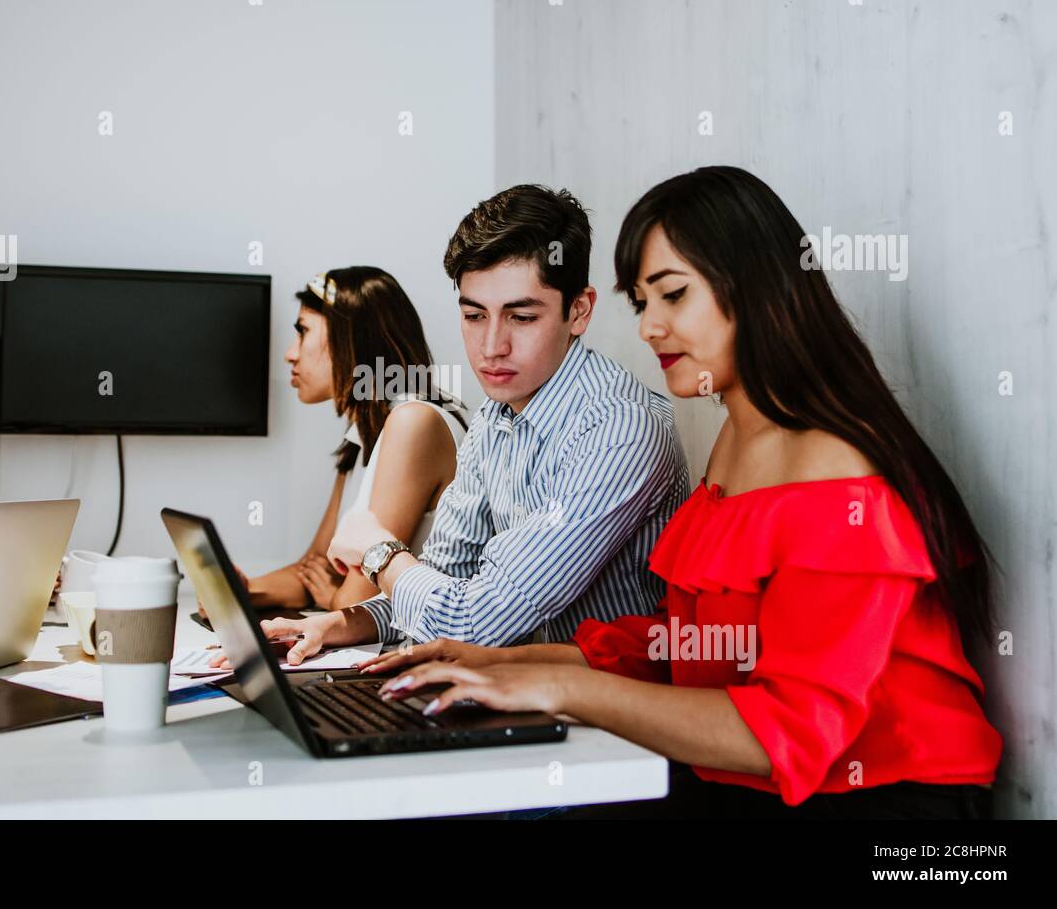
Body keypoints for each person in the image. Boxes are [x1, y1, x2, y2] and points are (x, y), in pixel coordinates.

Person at [362, 166, 1002, 818]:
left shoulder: (838, 466)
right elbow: (693, 645)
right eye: (644, 303)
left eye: (673, 296)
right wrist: (506, 662)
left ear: (753, 290)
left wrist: (553, 685)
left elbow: (783, 732)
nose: (650, 328)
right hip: (746, 776)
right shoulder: (738, 438)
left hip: (885, 803)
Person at [236, 185, 688, 665]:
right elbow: (443, 580)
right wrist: (339, 624)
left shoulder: (618, 429)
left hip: (605, 717)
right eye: (474, 315)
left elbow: (477, 622)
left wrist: (378, 551)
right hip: (517, 693)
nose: (492, 346)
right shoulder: (496, 417)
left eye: (521, 316)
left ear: (578, 311)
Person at [235, 266, 469, 614]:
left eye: (303, 332)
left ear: (351, 340)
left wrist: (334, 596)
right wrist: (243, 593)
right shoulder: (365, 432)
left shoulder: (413, 423)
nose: (290, 353)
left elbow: (359, 599)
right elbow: (315, 568)